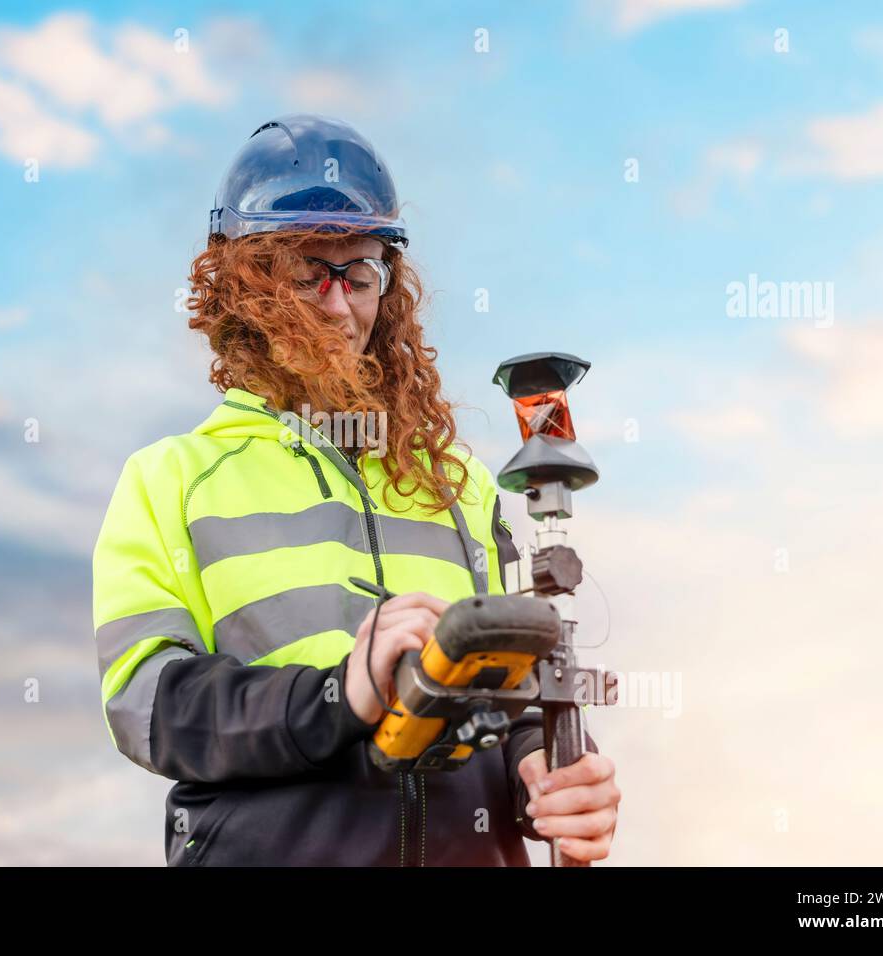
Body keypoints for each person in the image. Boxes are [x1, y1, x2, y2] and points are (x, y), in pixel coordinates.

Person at [92, 113, 620, 866]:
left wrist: (547, 771)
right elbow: (151, 712)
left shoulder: (460, 484)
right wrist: (342, 693)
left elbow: (516, 695)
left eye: (359, 273)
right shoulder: (166, 481)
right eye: (307, 273)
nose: (338, 306)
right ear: (245, 290)